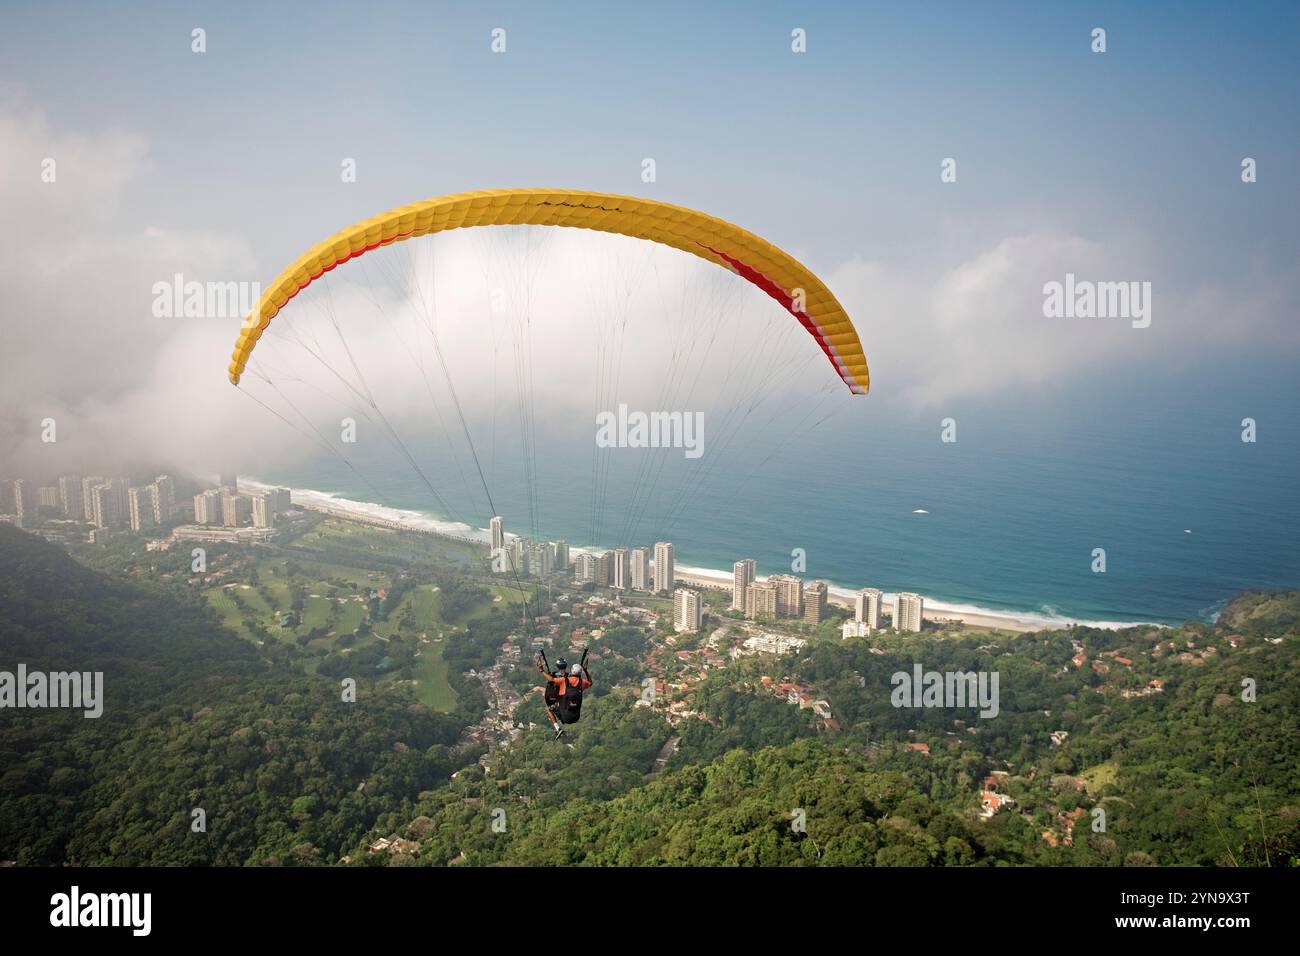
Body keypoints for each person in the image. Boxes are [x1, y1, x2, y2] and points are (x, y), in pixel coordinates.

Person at [537, 655, 592, 739]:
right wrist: (586, 670)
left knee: (549, 709)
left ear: (572, 671)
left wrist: (541, 670)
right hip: (576, 717)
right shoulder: (582, 683)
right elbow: (590, 683)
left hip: (565, 716)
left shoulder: (564, 681)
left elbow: (551, 680)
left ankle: (558, 729)